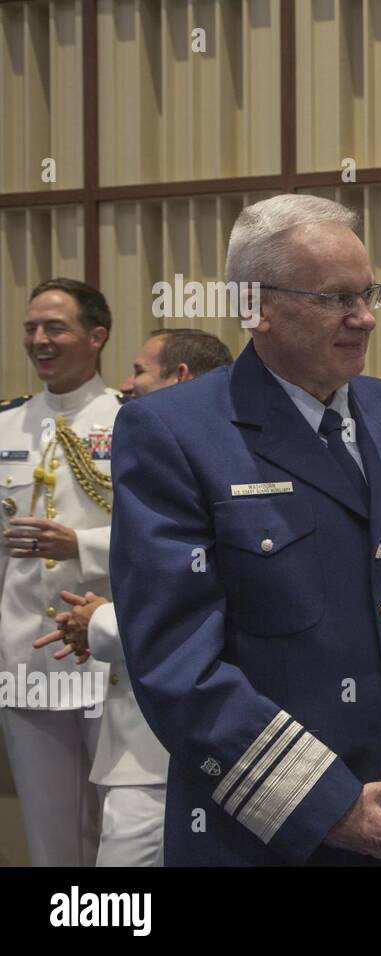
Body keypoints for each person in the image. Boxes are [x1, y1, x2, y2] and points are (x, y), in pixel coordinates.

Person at [109, 194, 381, 866]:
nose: (366, 317)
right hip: (271, 838)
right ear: (253, 306)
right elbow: (177, 663)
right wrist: (331, 807)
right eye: (336, 298)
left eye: (369, 292)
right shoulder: (175, 434)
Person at [34, 328, 234, 866]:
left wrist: (99, 625)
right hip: (157, 745)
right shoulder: (192, 456)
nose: (126, 385)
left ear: (181, 377)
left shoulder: (211, 467)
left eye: (140, 371)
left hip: (170, 748)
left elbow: (216, 609)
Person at [0, 278, 122, 866]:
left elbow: (164, 537)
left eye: (55, 328)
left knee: (124, 823)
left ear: (96, 337)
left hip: (109, 655)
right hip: (25, 658)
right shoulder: (6, 426)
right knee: (50, 831)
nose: (39, 341)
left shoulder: (134, 421)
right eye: (30, 328)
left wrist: (85, 545)